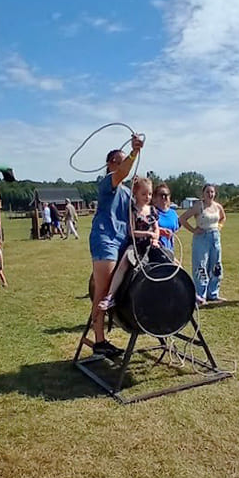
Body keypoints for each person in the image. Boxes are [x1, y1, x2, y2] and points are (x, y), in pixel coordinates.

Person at [89, 135, 144, 357]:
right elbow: (122, 173)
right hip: (106, 240)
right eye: (119, 161)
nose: (123, 165)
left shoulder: (126, 191)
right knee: (102, 292)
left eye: (124, 160)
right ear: (111, 164)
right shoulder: (108, 183)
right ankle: (100, 341)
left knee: (116, 288)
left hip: (121, 241)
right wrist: (134, 153)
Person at [98, 177, 160, 310]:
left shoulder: (153, 210)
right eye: (143, 194)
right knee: (124, 264)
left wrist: (155, 239)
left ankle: (189, 291)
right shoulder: (133, 210)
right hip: (136, 245)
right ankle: (110, 296)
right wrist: (148, 234)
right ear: (135, 194)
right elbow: (131, 232)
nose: (147, 197)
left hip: (150, 246)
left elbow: (156, 228)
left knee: (171, 259)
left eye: (149, 194)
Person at [179, 184, 226, 305]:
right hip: (201, 238)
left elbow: (223, 218)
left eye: (212, 192)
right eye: (207, 192)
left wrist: (219, 227)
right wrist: (194, 230)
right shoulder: (198, 206)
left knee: (216, 265)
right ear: (203, 194)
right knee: (201, 265)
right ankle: (201, 295)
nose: (210, 194)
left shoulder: (217, 207)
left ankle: (213, 293)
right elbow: (183, 218)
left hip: (215, 237)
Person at [153, 182, 179, 253]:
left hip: (169, 250)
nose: (164, 197)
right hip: (156, 249)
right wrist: (160, 231)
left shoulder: (173, 214)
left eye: (166, 195)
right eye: (161, 195)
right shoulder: (152, 212)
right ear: (155, 197)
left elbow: (175, 231)